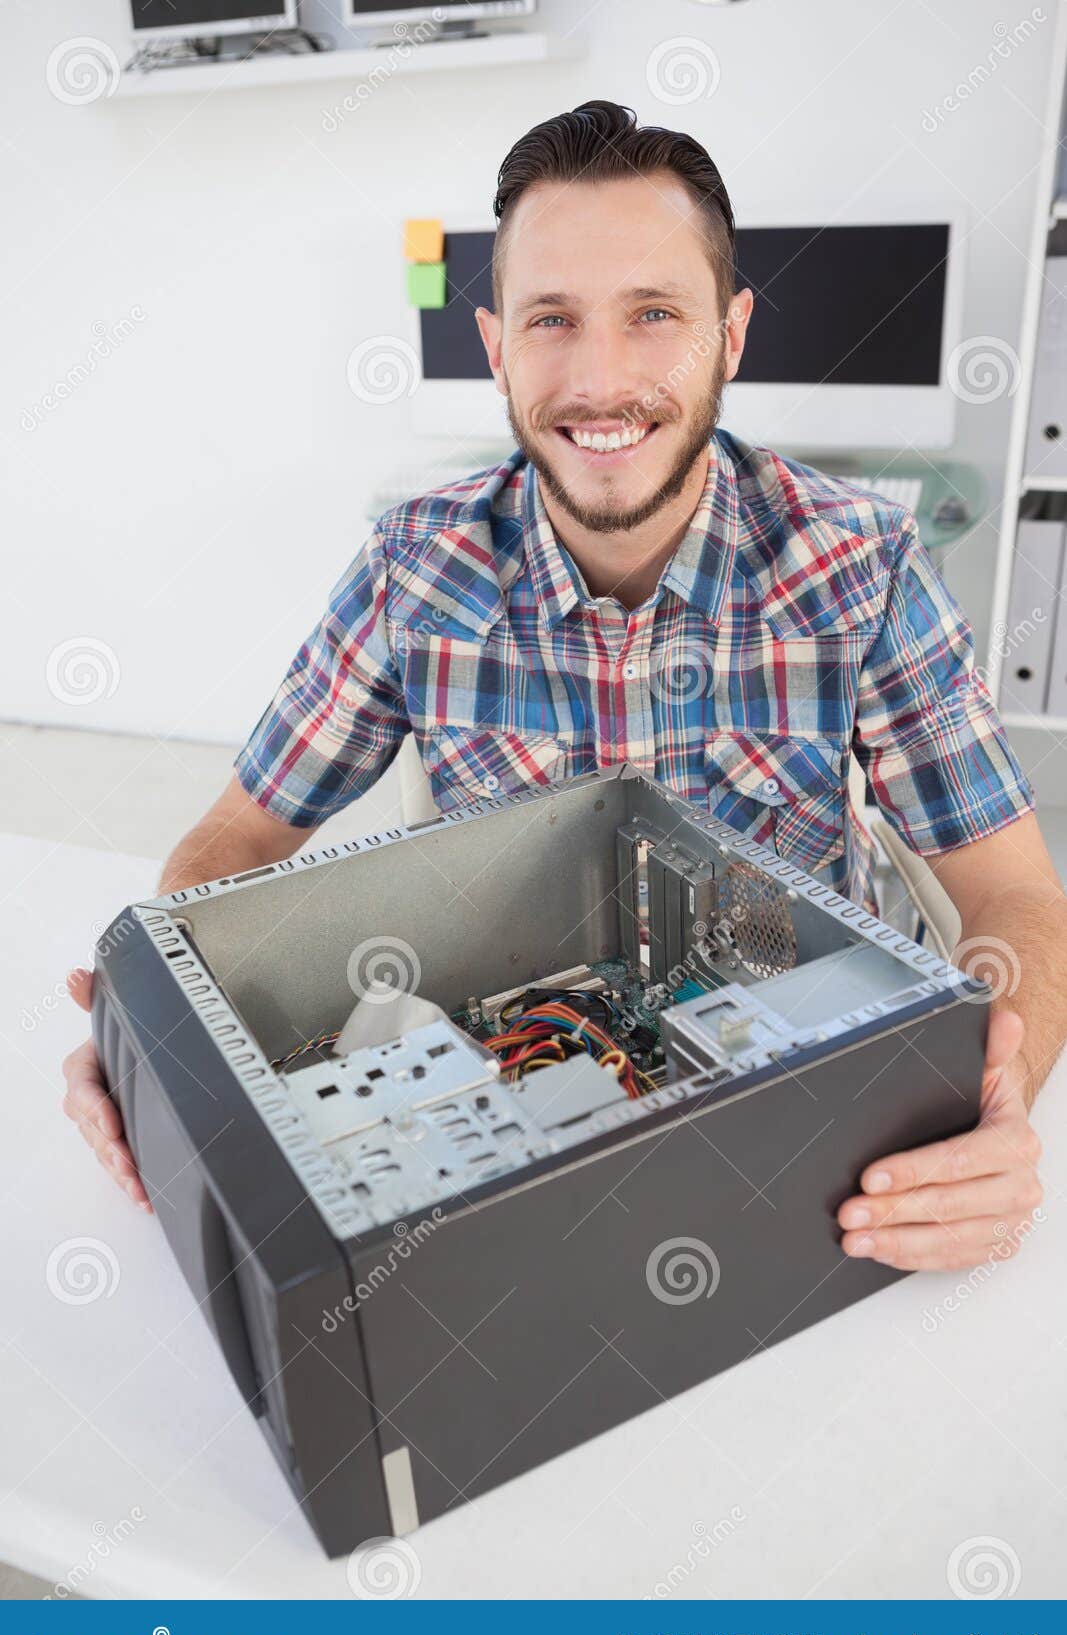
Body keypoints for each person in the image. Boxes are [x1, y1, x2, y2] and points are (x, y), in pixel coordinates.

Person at [63, 100, 1061, 1272]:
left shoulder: (862, 566)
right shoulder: (412, 567)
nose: (601, 378)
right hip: (516, 1125)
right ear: (494, 346)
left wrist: (992, 1100)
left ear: (729, 335)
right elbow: (236, 837)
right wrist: (150, 1035)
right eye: (551, 319)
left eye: (653, 314)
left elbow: (1014, 897)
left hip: (813, 1126)